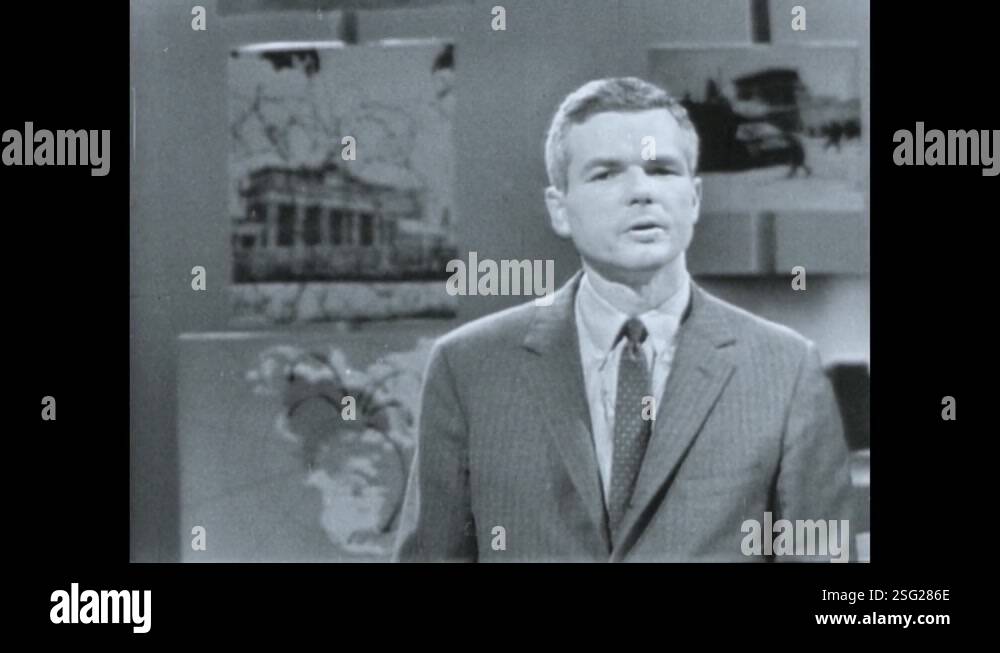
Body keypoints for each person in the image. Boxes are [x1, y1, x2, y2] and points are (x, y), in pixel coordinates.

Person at [393, 77, 854, 562]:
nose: (641, 192)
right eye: (606, 174)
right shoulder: (469, 368)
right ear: (560, 209)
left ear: (693, 199)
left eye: (661, 170)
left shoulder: (785, 369)